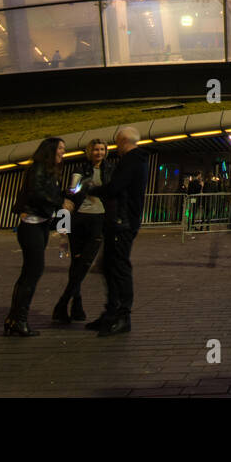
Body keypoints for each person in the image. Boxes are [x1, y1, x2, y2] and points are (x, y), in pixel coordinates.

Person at [79, 127, 151, 337]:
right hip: (120, 221)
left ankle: (121, 315)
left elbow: (115, 188)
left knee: (118, 267)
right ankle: (112, 312)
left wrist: (91, 189)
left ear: (122, 141)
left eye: (116, 142)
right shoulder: (137, 160)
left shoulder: (131, 161)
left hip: (123, 221)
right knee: (110, 265)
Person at [4, 138, 73, 337]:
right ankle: (19, 320)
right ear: (50, 151)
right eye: (60, 148)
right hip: (31, 225)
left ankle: (14, 319)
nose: (63, 152)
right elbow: (37, 193)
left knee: (30, 273)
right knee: (32, 273)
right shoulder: (39, 168)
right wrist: (61, 202)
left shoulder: (50, 171)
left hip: (40, 224)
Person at [53, 139, 107, 324]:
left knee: (85, 262)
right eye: (95, 150)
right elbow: (71, 192)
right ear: (89, 152)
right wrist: (61, 225)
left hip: (98, 218)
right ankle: (76, 304)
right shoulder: (80, 170)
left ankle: (63, 302)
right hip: (79, 218)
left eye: (101, 150)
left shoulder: (110, 170)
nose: (98, 153)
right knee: (76, 263)